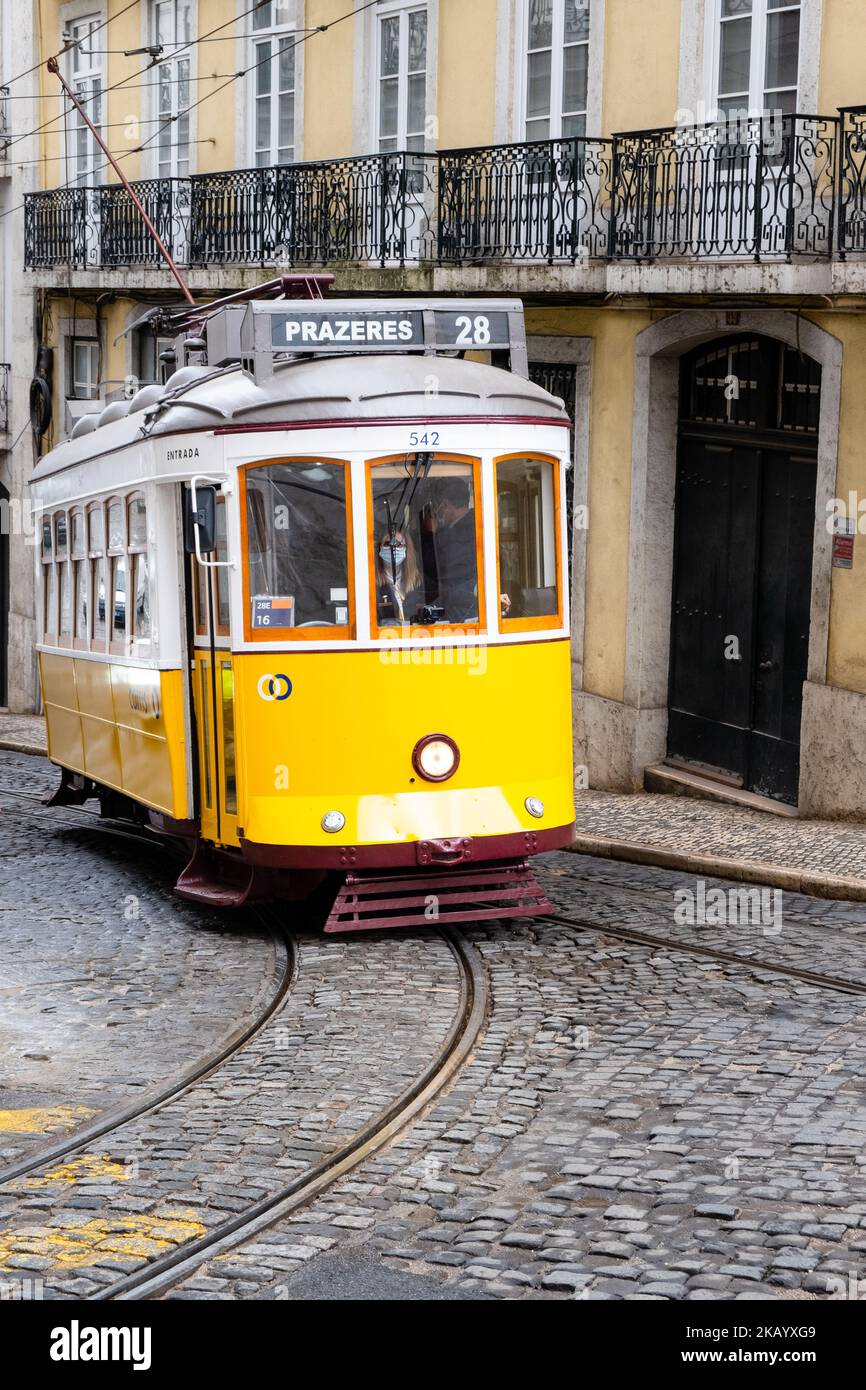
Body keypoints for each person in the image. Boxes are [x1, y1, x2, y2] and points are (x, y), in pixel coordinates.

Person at [432, 477, 478, 622]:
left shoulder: (460, 535)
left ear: (445, 505)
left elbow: (447, 578)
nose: (436, 512)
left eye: (436, 506)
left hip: (460, 612)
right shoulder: (479, 524)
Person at [375, 527, 423, 625]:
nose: (393, 548)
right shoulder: (371, 584)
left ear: (407, 549)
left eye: (398, 544)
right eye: (387, 544)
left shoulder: (419, 582)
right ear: (379, 548)